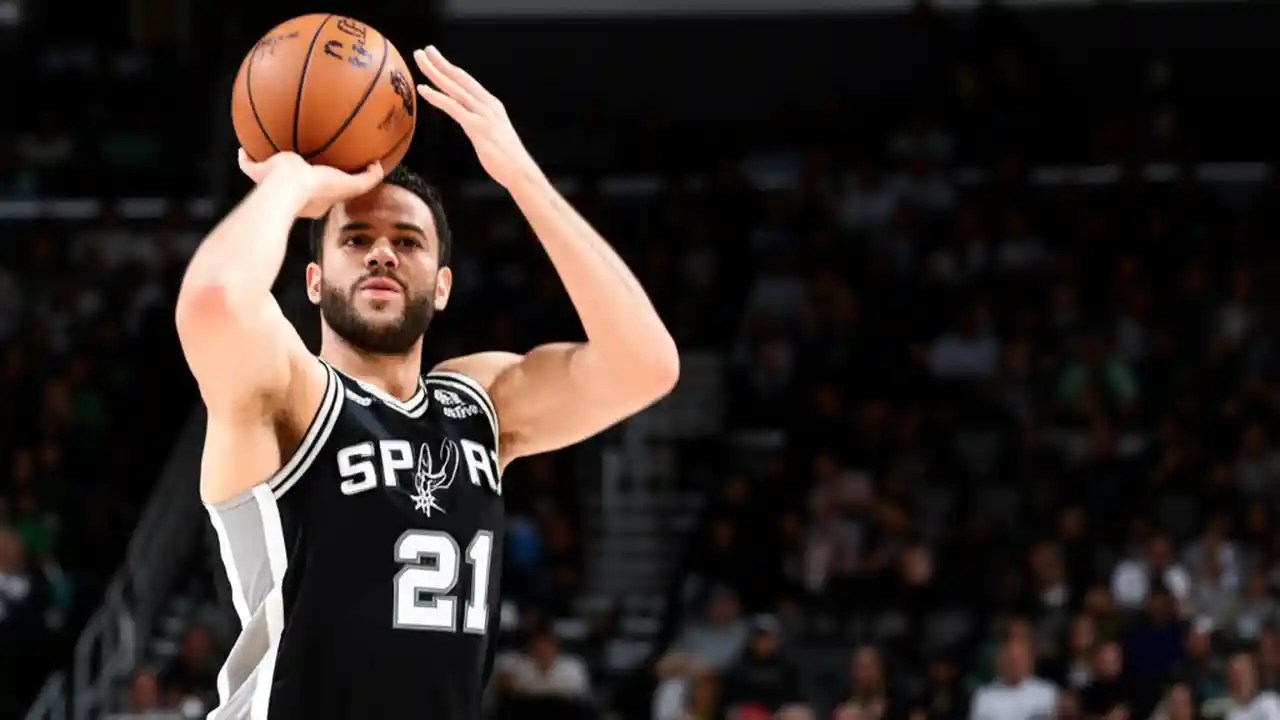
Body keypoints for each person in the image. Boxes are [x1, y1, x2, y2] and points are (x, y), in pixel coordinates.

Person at [174, 45, 678, 720]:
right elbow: (212, 299)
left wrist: (522, 177)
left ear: (441, 287)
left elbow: (646, 365)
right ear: (314, 281)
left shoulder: (478, 405)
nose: (383, 250)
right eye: (355, 239)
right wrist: (290, 184)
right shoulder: (287, 393)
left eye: (408, 241)